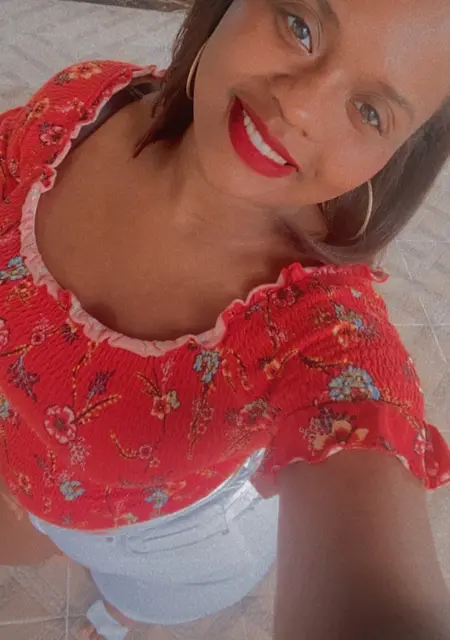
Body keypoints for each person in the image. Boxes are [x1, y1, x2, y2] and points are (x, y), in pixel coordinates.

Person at [1, 0, 450, 637]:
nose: (299, 108)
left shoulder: (322, 335)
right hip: (32, 479)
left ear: (397, 156)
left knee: (144, 597)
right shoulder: (82, 102)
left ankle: (126, 612)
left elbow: (363, 449)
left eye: (370, 112)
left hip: (167, 542)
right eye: (300, 27)